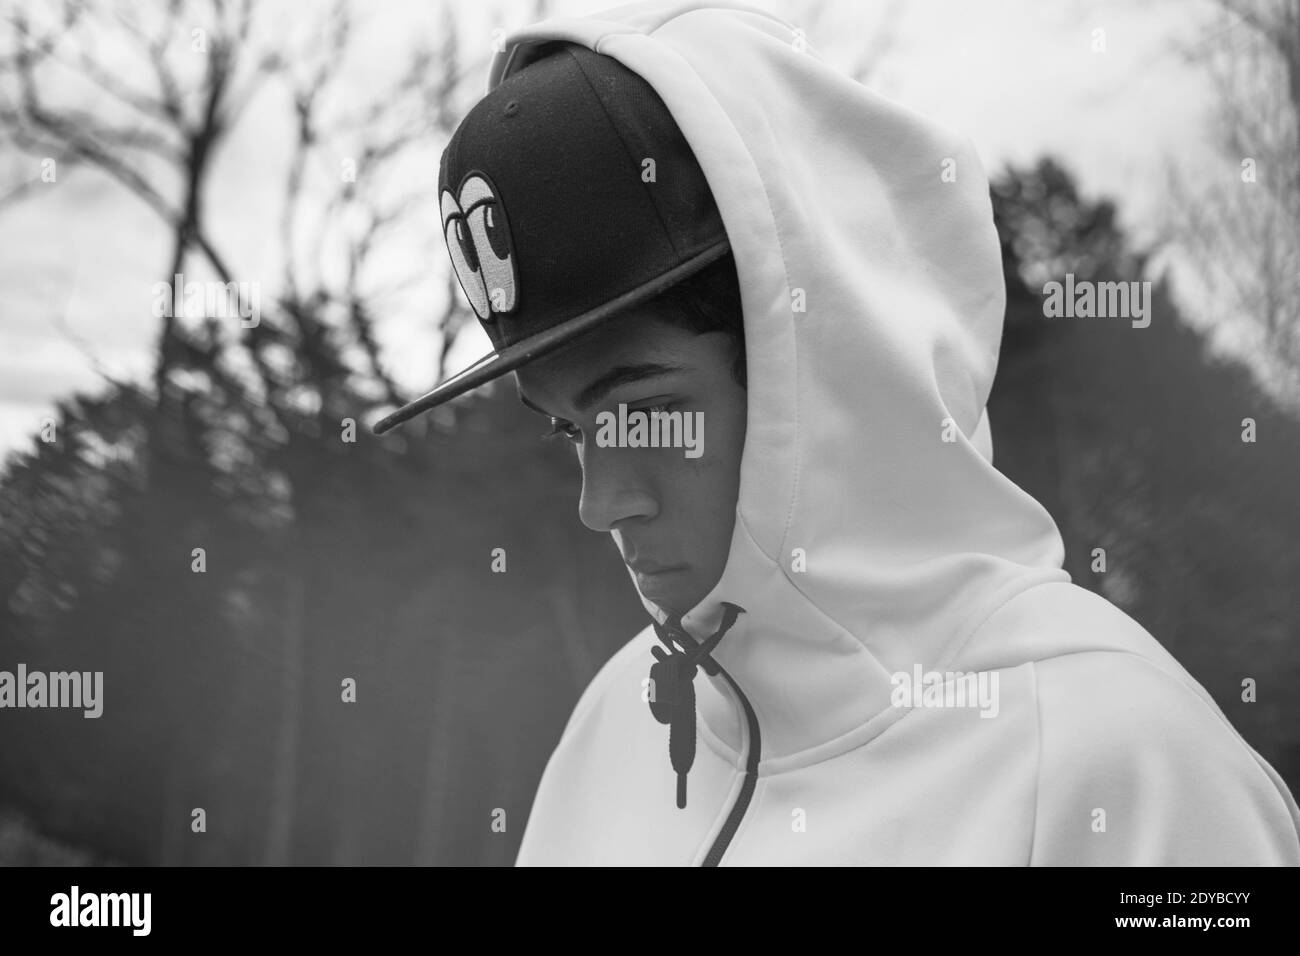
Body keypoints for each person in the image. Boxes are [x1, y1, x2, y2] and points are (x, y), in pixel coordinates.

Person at [373, 1, 1300, 865]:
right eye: (572, 430)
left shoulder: (1128, 765)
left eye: (644, 411)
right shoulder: (612, 729)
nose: (601, 501)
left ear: (813, 362)